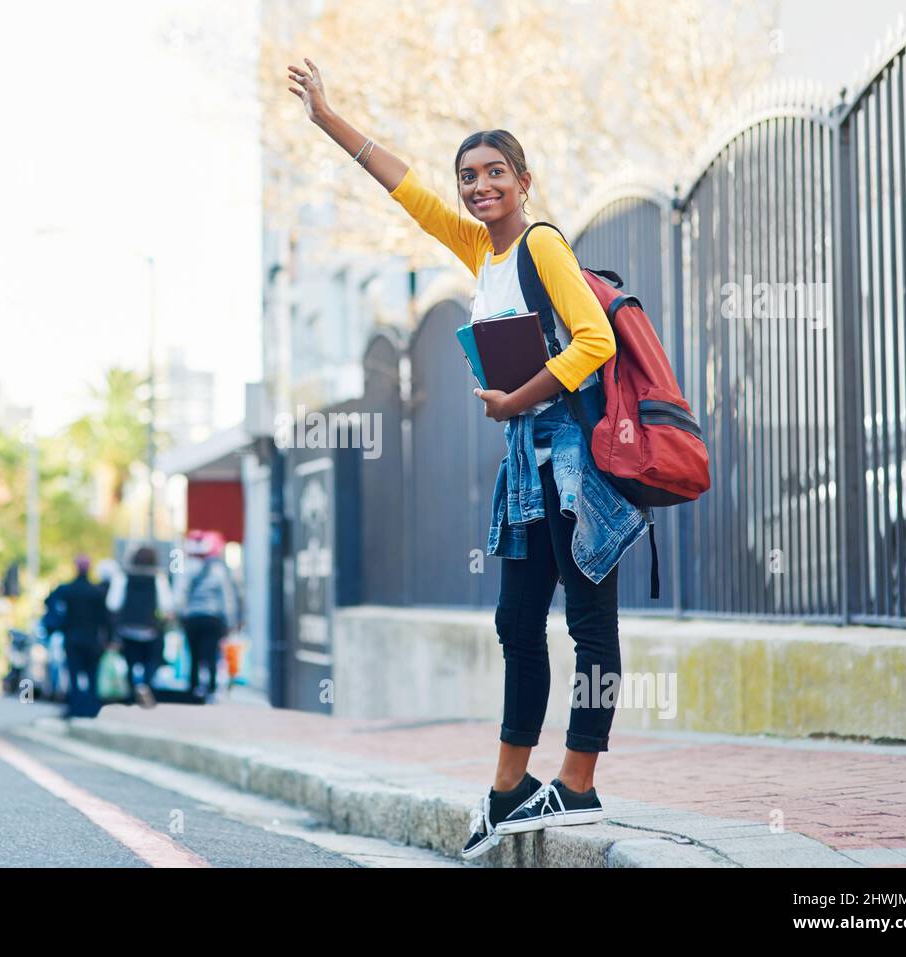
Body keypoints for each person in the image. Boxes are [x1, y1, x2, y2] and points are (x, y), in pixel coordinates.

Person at [289, 58, 652, 860]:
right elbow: (404, 184)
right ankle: (508, 788)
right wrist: (327, 118)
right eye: (469, 177)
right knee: (517, 623)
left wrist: (515, 397)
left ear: (523, 179)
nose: (478, 186)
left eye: (494, 173)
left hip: (576, 461)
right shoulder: (475, 247)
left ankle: (581, 780)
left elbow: (593, 341)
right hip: (527, 464)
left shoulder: (543, 244)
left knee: (590, 625)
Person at [175, 530, 241, 702]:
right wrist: (230, 620)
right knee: (211, 653)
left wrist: (179, 613)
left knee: (194, 655)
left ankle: (193, 688)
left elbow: (180, 595)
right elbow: (227, 598)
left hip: (192, 618)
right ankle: (211, 687)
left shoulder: (185, 567)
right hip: (213, 618)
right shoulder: (218, 569)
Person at [105, 545, 173, 708]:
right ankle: (146, 686)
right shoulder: (158, 577)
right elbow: (166, 604)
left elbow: (113, 603)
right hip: (150, 628)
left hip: (127, 628)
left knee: (130, 663)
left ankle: (132, 692)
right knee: (151, 661)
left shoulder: (123, 576)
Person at [46, 554, 112, 719]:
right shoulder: (96, 592)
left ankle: (75, 707)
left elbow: (49, 603)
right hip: (92, 640)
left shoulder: (66, 590)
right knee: (92, 675)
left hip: (72, 638)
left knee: (74, 673)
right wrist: (109, 638)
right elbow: (105, 618)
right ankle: (91, 708)